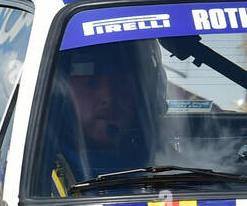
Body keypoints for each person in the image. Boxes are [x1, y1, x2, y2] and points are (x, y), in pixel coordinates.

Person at [42, 39, 166, 195]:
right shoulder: (35, 172)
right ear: (62, 96)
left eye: (121, 84)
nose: (108, 98)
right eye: (91, 84)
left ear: (142, 95)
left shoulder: (178, 170)